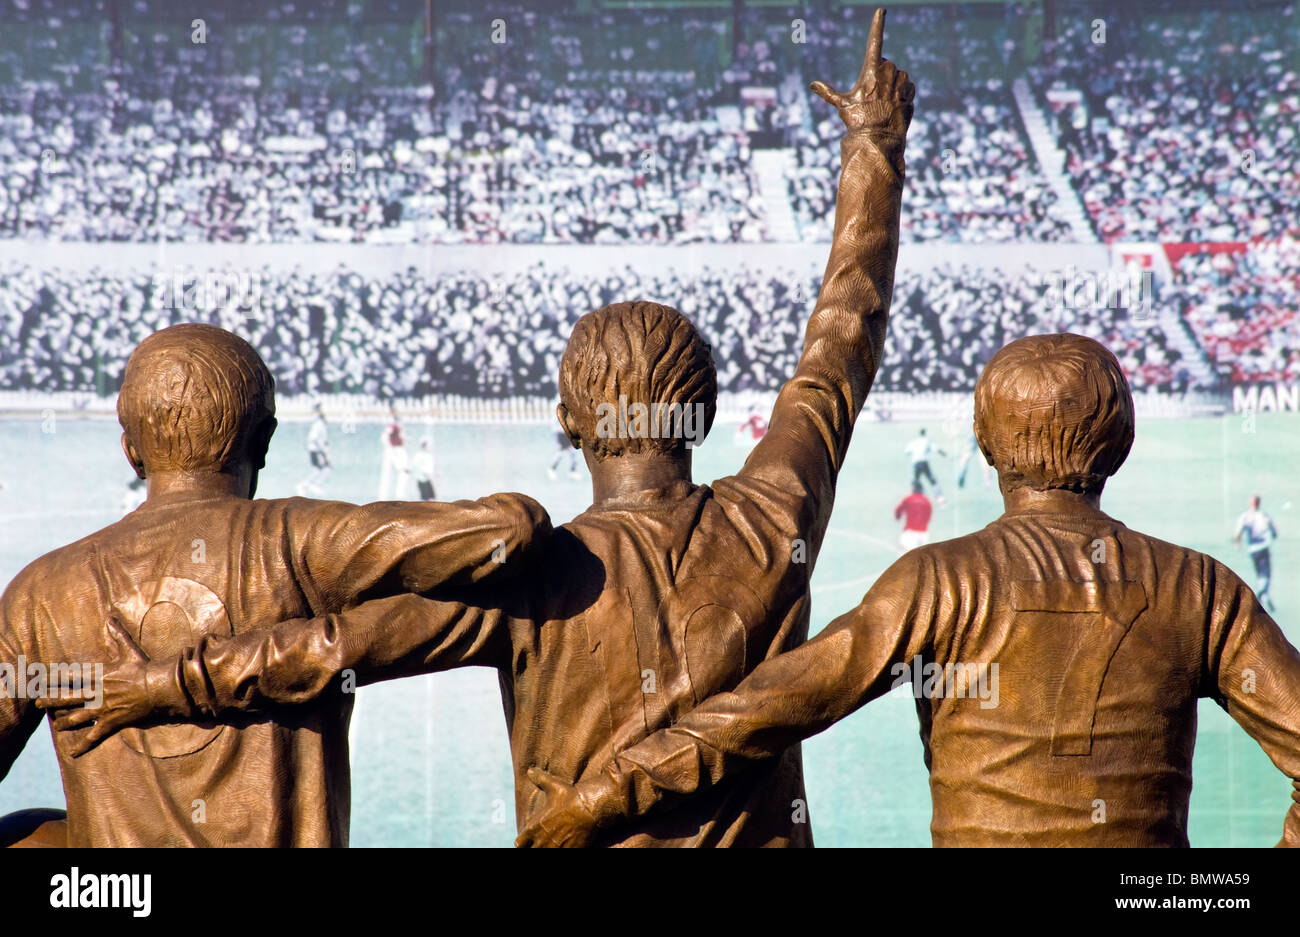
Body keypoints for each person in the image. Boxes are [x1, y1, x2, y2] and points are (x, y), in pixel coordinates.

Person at [46, 15, 915, 849]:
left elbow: (330, 646)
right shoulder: (775, 515)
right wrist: (873, 147)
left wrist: (162, 681)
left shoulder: (538, 577)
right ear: (707, 414)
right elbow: (842, 339)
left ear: (569, 424)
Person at [512, 333, 1300, 848]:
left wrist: (601, 797)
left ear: (985, 444)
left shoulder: (942, 581)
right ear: (1121, 442)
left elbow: (765, 709)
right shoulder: (1202, 590)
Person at [0, 324, 550, 847]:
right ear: (263, 441)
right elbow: (511, 528)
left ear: (131, 451)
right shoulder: (298, 541)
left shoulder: (41, 595)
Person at [1235, 495, 1278, 612]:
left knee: (1259, 573)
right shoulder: (1263, 516)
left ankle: (1263, 594)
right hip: (1263, 548)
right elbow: (1274, 533)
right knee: (1266, 574)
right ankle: (1262, 594)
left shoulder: (1245, 517)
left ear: (1251, 503)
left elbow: (1238, 533)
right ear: (1259, 503)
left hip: (1252, 550)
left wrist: (1238, 544)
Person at [297, 403, 332, 497]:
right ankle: (308, 485)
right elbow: (313, 439)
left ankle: (307, 485)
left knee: (322, 469)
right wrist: (322, 451)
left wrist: (325, 446)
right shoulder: (319, 424)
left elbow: (320, 439)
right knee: (324, 468)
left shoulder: (321, 424)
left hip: (317, 450)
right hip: (316, 450)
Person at [904, 427, 946, 504]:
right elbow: (936, 449)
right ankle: (940, 498)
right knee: (932, 480)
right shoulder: (927, 440)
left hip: (916, 463)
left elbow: (907, 452)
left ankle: (913, 499)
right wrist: (944, 454)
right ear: (925, 433)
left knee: (916, 481)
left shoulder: (914, 442)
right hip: (924, 462)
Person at [378, 403, 410, 500]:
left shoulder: (397, 424)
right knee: (403, 470)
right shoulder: (393, 425)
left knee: (403, 471)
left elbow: (397, 435)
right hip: (395, 449)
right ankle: (398, 494)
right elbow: (385, 436)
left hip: (396, 449)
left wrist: (405, 439)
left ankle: (398, 494)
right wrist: (390, 446)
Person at [893, 482, 931, 551]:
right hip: (923, 533)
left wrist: (897, 517)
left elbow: (898, 510)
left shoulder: (908, 499)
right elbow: (928, 516)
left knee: (905, 556)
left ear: (913, 488)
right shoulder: (927, 501)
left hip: (910, 532)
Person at [412, 437, 437, 502]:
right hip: (422, 479)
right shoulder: (419, 455)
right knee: (426, 498)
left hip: (426, 479)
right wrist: (424, 474)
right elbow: (416, 467)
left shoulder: (427, 455)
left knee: (431, 497)